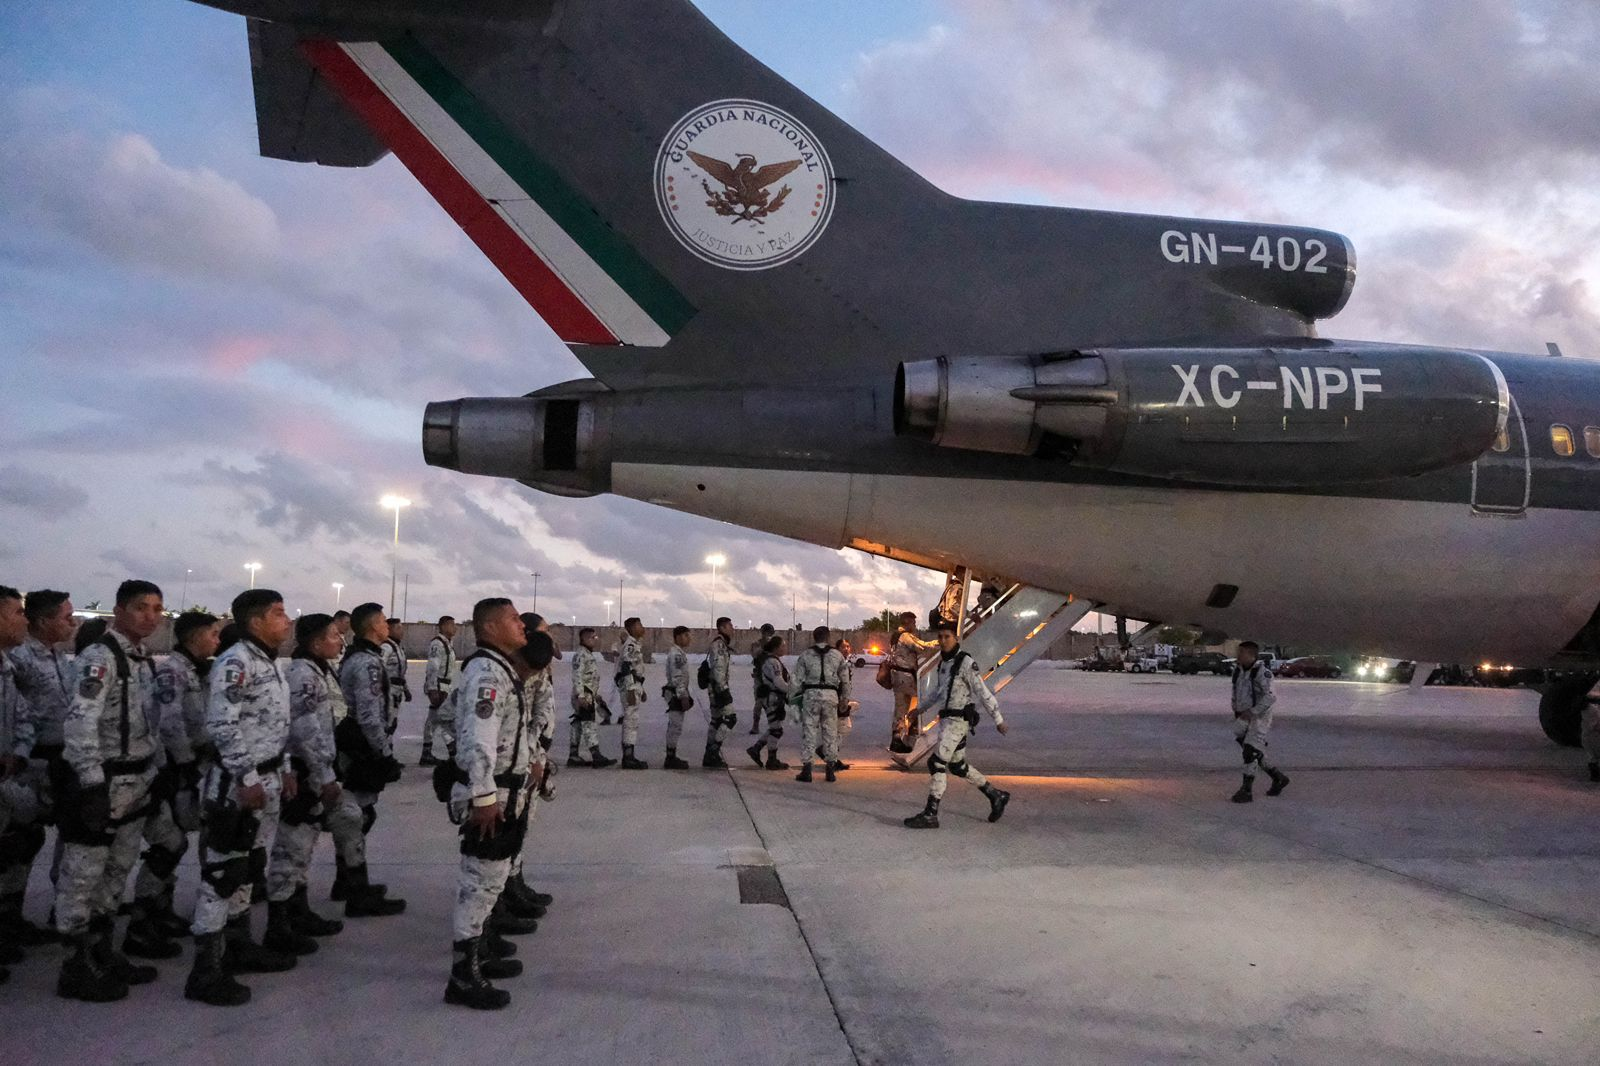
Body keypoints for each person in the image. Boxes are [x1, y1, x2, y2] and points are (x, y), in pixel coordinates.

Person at [183, 588, 298, 1007]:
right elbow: (223, 725)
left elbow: (272, 724)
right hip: (236, 786)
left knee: (250, 868)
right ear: (255, 621)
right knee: (223, 875)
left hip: (265, 781)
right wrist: (247, 776)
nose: (287, 621)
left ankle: (239, 945)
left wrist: (282, 769)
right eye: (279, 614)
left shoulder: (268, 661)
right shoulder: (237, 661)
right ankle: (205, 970)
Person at [53, 580, 165, 1002]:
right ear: (118, 611)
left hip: (136, 783)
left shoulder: (141, 659)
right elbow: (80, 721)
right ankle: (74, 965)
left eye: (157, 608)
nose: (150, 616)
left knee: (117, 871)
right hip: (104, 782)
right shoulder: (102, 657)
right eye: (140, 608)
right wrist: (91, 783)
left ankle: (102, 951)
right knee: (82, 876)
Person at [444, 598, 533, 1010]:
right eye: (514, 619)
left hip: (501, 791)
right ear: (492, 627)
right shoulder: (486, 673)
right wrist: (483, 795)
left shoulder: (498, 668)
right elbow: (477, 738)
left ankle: (479, 956)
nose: (522, 626)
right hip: (490, 794)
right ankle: (463, 976)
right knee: (478, 884)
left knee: (491, 879)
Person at [263, 615, 367, 958]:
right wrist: (324, 776)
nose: (340, 641)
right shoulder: (303, 676)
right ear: (315, 642)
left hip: (316, 768)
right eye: (335, 636)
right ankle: (278, 924)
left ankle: (298, 910)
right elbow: (306, 730)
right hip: (306, 772)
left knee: (305, 845)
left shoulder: (319, 670)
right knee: (290, 847)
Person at [123, 611, 220, 958]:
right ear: (195, 637)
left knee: (175, 841)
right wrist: (184, 764)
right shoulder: (173, 670)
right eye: (212, 634)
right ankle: (142, 921)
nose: (217, 640)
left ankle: (159, 909)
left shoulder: (195, 670)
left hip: (188, 765)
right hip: (172, 768)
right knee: (169, 842)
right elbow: (169, 722)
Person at [4, 588, 75, 954]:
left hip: (59, 761)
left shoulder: (61, 658)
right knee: (18, 841)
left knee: (57, 839)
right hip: (29, 762)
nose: (73, 623)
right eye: (66, 617)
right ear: (44, 621)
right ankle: (7, 919)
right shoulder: (18, 658)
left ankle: (54, 911)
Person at [903, 620, 1011, 830]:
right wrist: (921, 708)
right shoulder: (945, 663)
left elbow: (982, 691)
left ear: (956, 638)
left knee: (936, 763)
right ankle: (995, 795)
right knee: (957, 766)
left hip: (957, 722)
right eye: (940, 636)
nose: (943, 641)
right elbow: (938, 692)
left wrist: (998, 720)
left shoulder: (965, 663)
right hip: (947, 721)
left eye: (947, 637)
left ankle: (931, 813)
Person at [334, 603, 406, 910]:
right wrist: (383, 751)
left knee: (357, 815)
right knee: (358, 815)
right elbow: (368, 713)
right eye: (383, 621)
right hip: (361, 746)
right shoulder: (367, 663)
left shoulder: (363, 657)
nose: (388, 626)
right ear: (373, 626)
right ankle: (356, 889)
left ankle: (347, 882)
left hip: (357, 743)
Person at [0, 585, 40, 983]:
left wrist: (20, 752)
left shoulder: (7, 668)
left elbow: (24, 717)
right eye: (15, 613)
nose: (23, 620)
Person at [1230, 641, 1289, 803]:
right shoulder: (1238, 671)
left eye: (1241, 652)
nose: (1238, 655)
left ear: (1251, 655)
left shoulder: (1262, 673)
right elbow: (1236, 692)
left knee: (1249, 752)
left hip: (1259, 718)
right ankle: (1278, 777)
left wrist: (1253, 712)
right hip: (1242, 717)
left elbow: (1270, 696)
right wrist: (1236, 710)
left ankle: (1246, 790)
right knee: (1253, 751)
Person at [793, 627, 848, 783]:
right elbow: (845, 680)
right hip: (831, 696)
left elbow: (796, 680)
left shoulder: (805, 655)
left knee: (809, 731)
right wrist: (845, 699)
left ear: (814, 637)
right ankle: (830, 770)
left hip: (811, 695)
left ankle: (807, 769)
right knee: (830, 732)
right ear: (828, 637)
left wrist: (792, 699)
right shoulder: (837, 655)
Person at [889, 612, 938, 753]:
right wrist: (939, 643)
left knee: (901, 707)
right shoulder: (905, 636)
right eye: (913, 622)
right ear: (906, 621)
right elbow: (921, 647)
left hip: (898, 676)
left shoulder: (895, 636)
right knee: (911, 706)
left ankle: (899, 737)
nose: (915, 625)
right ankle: (905, 735)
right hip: (904, 677)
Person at [567, 628, 614, 767]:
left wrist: (596, 695)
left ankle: (573, 755)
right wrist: (581, 696)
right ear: (584, 639)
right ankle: (596, 755)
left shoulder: (587, 654)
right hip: (583, 696)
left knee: (577, 724)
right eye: (592, 637)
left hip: (587, 694)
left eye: (595, 637)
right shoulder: (581, 655)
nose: (595, 640)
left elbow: (588, 677)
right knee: (589, 724)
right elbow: (577, 676)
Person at [747, 635, 793, 770]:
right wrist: (792, 690)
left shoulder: (770, 660)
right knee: (776, 730)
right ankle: (771, 759)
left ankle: (756, 748)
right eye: (783, 646)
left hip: (771, 698)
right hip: (772, 698)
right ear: (776, 647)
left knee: (775, 727)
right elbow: (778, 682)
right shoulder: (772, 662)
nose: (785, 648)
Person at [420, 615, 459, 767]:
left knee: (434, 719)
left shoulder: (448, 644)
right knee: (444, 720)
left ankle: (426, 752)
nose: (454, 628)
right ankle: (452, 752)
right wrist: (432, 688)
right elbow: (433, 666)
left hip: (444, 686)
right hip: (439, 686)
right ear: (442, 626)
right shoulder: (438, 644)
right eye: (451, 625)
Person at [702, 617, 736, 768]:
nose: (732, 629)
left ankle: (709, 754)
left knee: (716, 721)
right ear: (722, 628)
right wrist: (723, 689)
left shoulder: (720, 644)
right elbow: (718, 669)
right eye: (729, 626)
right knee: (729, 718)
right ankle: (713, 752)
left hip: (714, 688)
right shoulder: (720, 645)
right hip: (718, 688)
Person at [614, 617, 648, 769]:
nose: (642, 627)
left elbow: (634, 668)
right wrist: (630, 689)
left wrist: (641, 688)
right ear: (632, 628)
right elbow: (626, 667)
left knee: (631, 719)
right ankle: (628, 757)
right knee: (630, 720)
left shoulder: (635, 644)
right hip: (630, 686)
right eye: (639, 625)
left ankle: (629, 756)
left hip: (634, 685)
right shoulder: (631, 644)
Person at [662, 626, 695, 769]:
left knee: (676, 725)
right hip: (676, 693)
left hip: (676, 692)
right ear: (679, 637)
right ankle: (670, 757)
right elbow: (677, 677)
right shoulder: (676, 655)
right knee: (675, 725)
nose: (689, 639)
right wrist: (683, 696)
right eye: (686, 636)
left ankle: (671, 755)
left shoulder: (678, 653)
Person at [381, 618, 410, 737]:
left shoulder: (398, 648)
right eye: (398, 628)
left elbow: (401, 673)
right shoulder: (386, 647)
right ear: (389, 630)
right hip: (388, 690)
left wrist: (406, 689)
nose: (401, 631)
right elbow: (379, 667)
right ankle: (383, 750)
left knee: (392, 722)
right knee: (387, 723)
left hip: (397, 691)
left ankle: (388, 749)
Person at [749, 623, 775, 733]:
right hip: (759, 677)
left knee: (772, 703)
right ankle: (755, 725)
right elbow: (755, 655)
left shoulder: (774, 645)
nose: (767, 635)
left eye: (769, 633)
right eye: (766, 633)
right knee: (759, 702)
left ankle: (773, 725)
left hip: (771, 678)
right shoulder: (756, 644)